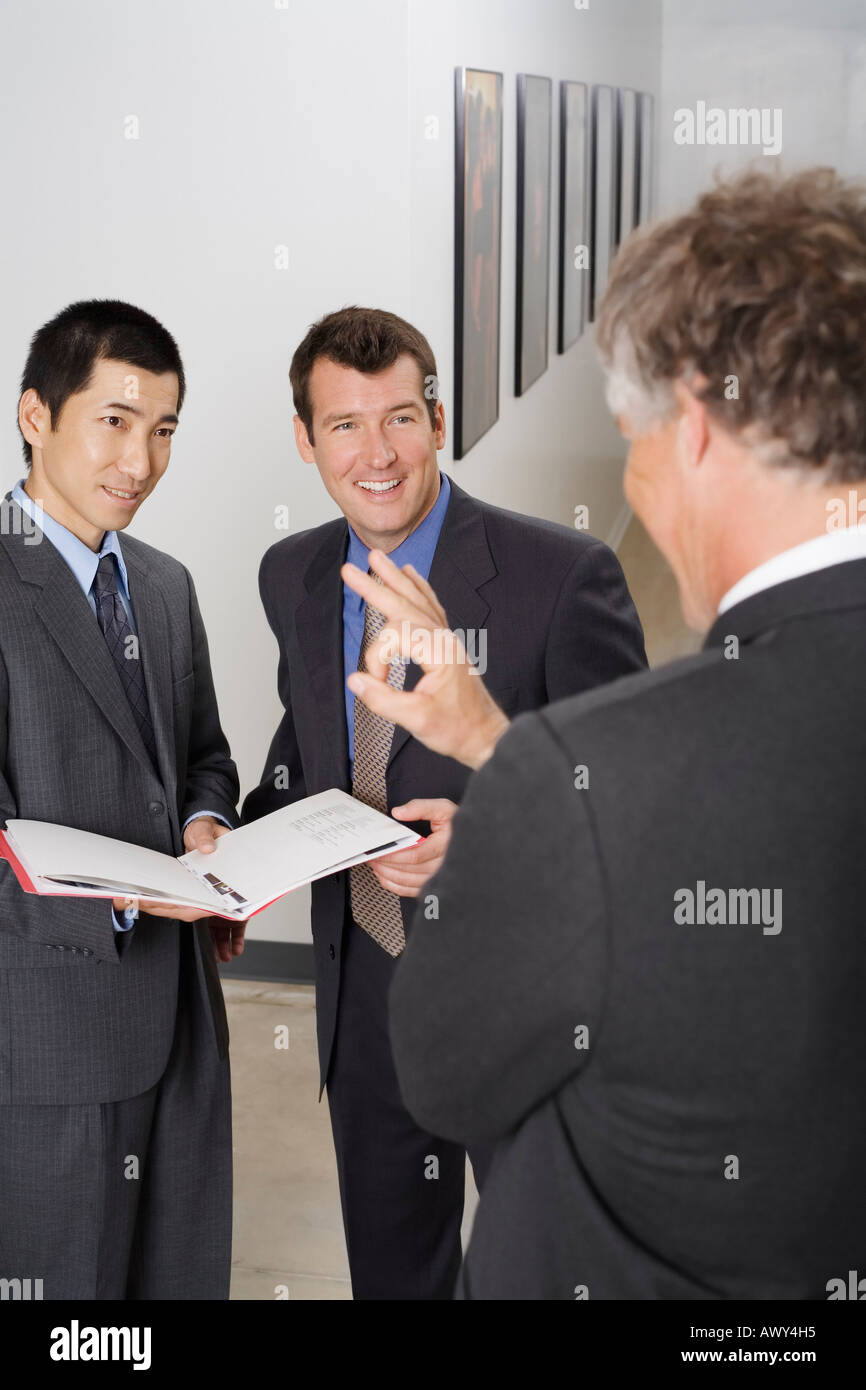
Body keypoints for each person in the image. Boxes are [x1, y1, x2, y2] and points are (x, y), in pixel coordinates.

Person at [343, 168, 866, 1298]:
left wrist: (518, 794)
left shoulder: (593, 769)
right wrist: (506, 752)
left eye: (632, 435)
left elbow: (446, 1074)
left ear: (693, 426)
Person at [242, 305, 647, 1299]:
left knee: (543, 1275)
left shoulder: (563, 577)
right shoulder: (292, 573)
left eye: (399, 419)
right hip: (363, 998)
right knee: (393, 1275)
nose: (376, 454)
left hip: (522, 1003)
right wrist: (231, 848)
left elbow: (630, 804)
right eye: (344, 425)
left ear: (436, 420)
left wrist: (493, 834)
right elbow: (306, 748)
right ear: (305, 439)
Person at [0, 300, 240, 1299]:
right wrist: (132, 898)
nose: (139, 461)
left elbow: (205, 757)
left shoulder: (165, 584)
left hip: (184, 1021)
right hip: (51, 1045)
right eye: (114, 421)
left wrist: (208, 822)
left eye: (164, 430)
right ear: (35, 416)